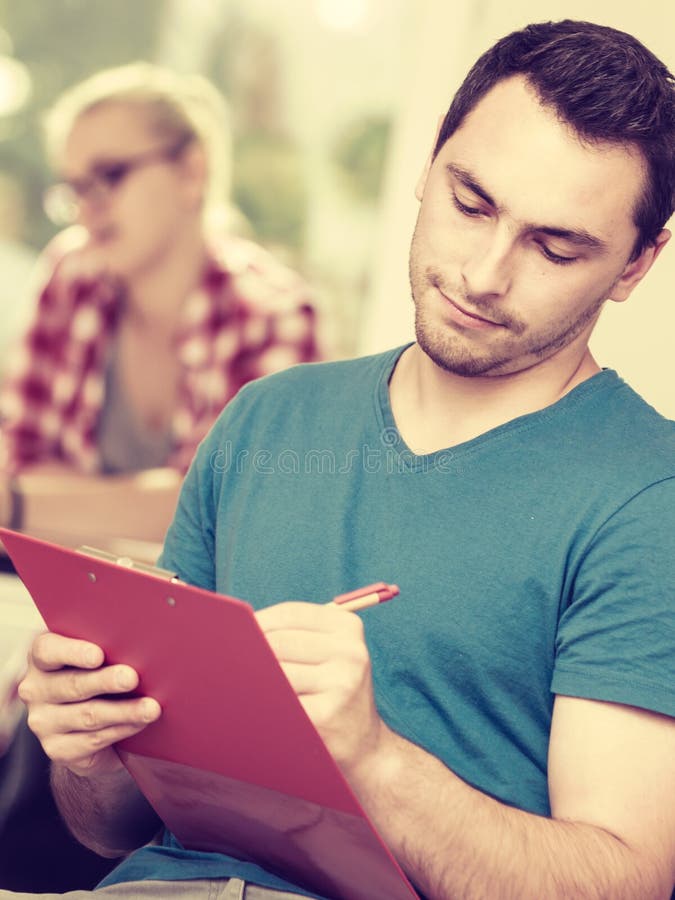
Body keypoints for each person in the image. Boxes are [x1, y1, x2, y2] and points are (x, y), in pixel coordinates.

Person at [11, 19, 675, 900]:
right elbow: (110, 829)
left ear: (635, 266)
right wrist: (90, 751)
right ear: (426, 166)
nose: (482, 273)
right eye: (468, 203)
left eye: (554, 247)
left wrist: (374, 761)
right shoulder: (265, 419)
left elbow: (621, 885)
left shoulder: (645, 497)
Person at [0, 62, 320, 547]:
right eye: (76, 188)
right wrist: (149, 504)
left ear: (192, 171)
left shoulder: (276, 314)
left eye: (108, 175)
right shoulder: (68, 275)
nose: (88, 209)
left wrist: (26, 505)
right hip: (56, 595)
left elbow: (228, 514)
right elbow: (18, 459)